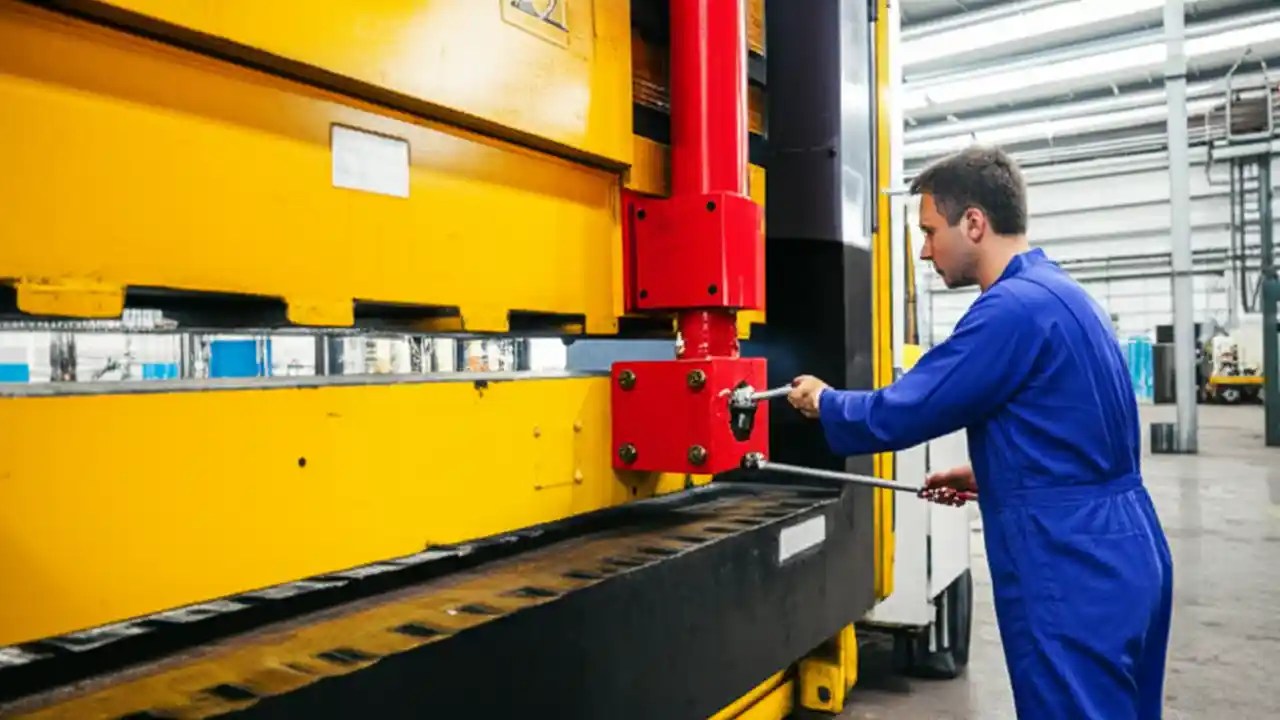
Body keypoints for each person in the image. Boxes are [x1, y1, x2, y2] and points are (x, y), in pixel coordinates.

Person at [787, 145, 1174, 719]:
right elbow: (1083, 430)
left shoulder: (1008, 310)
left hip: (1069, 560)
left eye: (929, 231)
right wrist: (991, 471)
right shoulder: (1065, 295)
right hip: (1128, 546)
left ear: (974, 223)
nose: (923, 251)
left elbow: (908, 408)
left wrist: (826, 401)